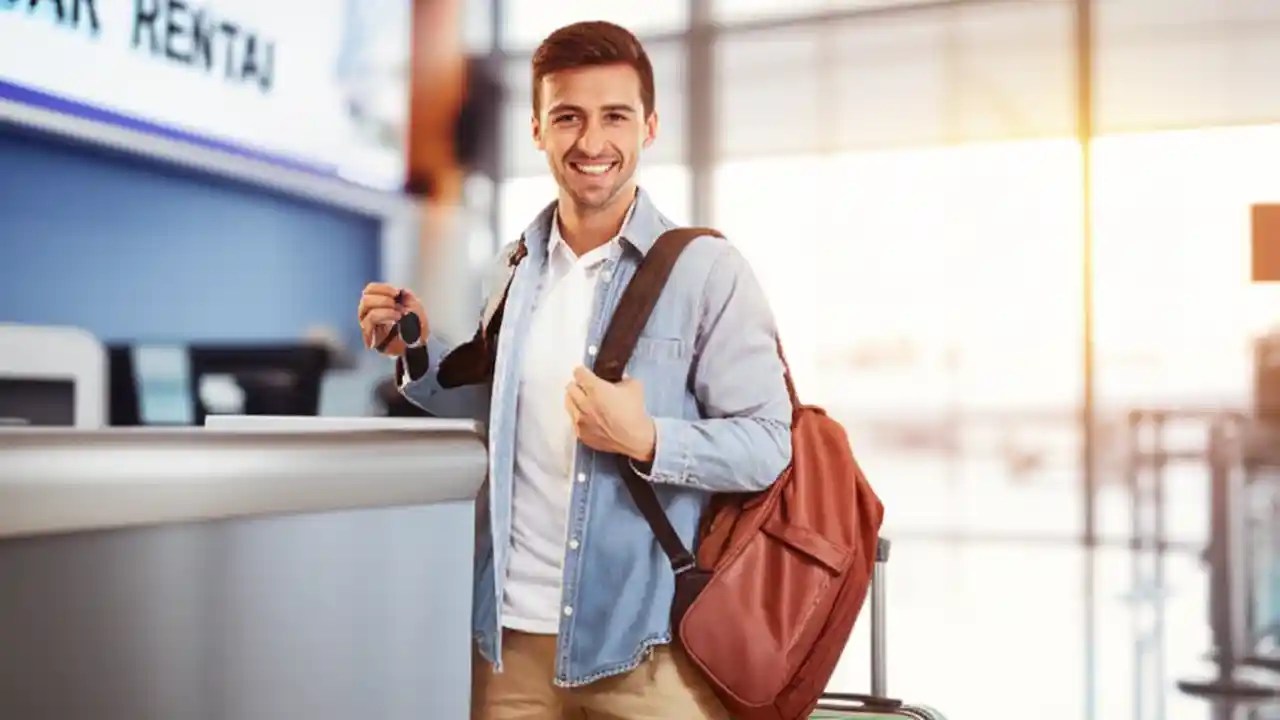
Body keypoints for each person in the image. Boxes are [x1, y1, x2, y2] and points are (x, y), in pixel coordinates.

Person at [357, 20, 792, 719]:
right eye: (568, 118)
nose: (591, 143)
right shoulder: (514, 265)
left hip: (648, 652)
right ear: (537, 130)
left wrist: (649, 439)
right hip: (511, 649)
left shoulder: (708, 272)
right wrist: (413, 349)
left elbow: (769, 445)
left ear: (649, 127)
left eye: (614, 116)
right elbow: (494, 404)